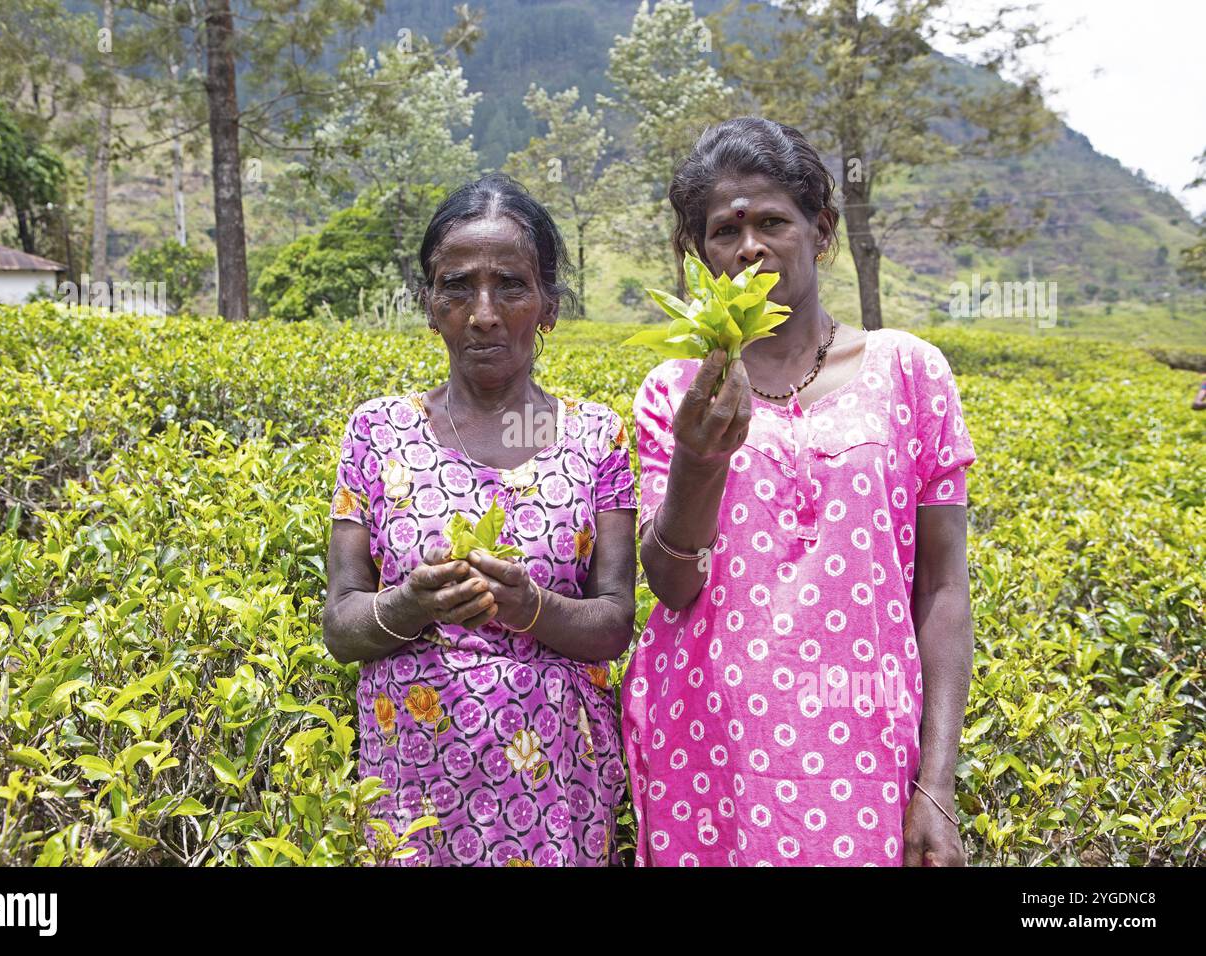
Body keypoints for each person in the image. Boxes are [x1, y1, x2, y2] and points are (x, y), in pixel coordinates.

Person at [622, 117, 977, 866]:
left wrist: (936, 782)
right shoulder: (677, 390)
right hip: (707, 745)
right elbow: (670, 584)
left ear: (821, 230)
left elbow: (944, 589)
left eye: (773, 221)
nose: (749, 246)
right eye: (724, 231)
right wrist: (698, 457)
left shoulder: (909, 371)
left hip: (864, 743)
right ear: (700, 254)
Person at [322, 172, 638, 866]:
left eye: (512, 286)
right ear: (429, 304)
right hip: (413, 789)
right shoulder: (377, 433)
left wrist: (530, 608)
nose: (484, 312)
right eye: (457, 285)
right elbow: (342, 627)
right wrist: (407, 605)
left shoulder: (596, 438)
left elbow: (614, 621)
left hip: (557, 788)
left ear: (549, 305)